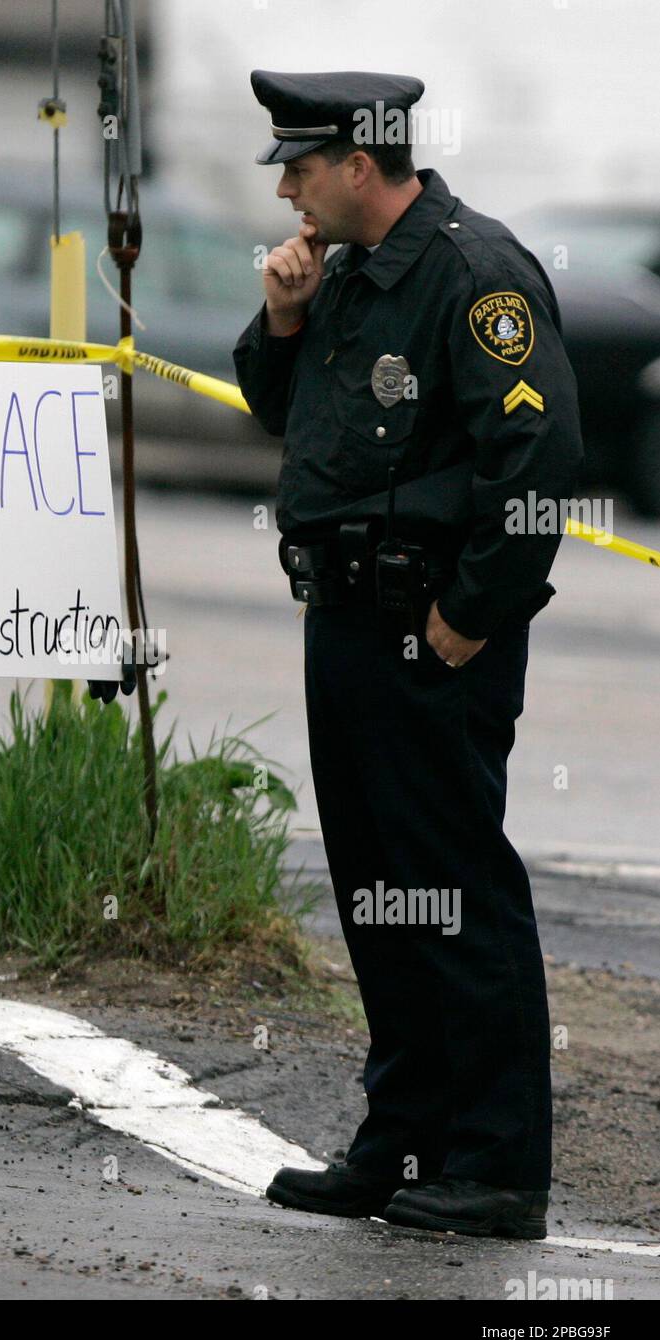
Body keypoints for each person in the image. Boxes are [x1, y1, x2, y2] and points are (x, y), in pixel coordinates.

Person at [233, 72, 583, 1238]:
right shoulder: (339, 271)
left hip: (430, 628)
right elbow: (281, 413)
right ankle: (402, 1138)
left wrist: (468, 615)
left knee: (454, 891)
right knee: (379, 895)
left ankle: (496, 1165)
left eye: (298, 168)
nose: (285, 192)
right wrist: (283, 318)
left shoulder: (476, 274)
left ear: (358, 165)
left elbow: (536, 460)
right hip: (343, 621)